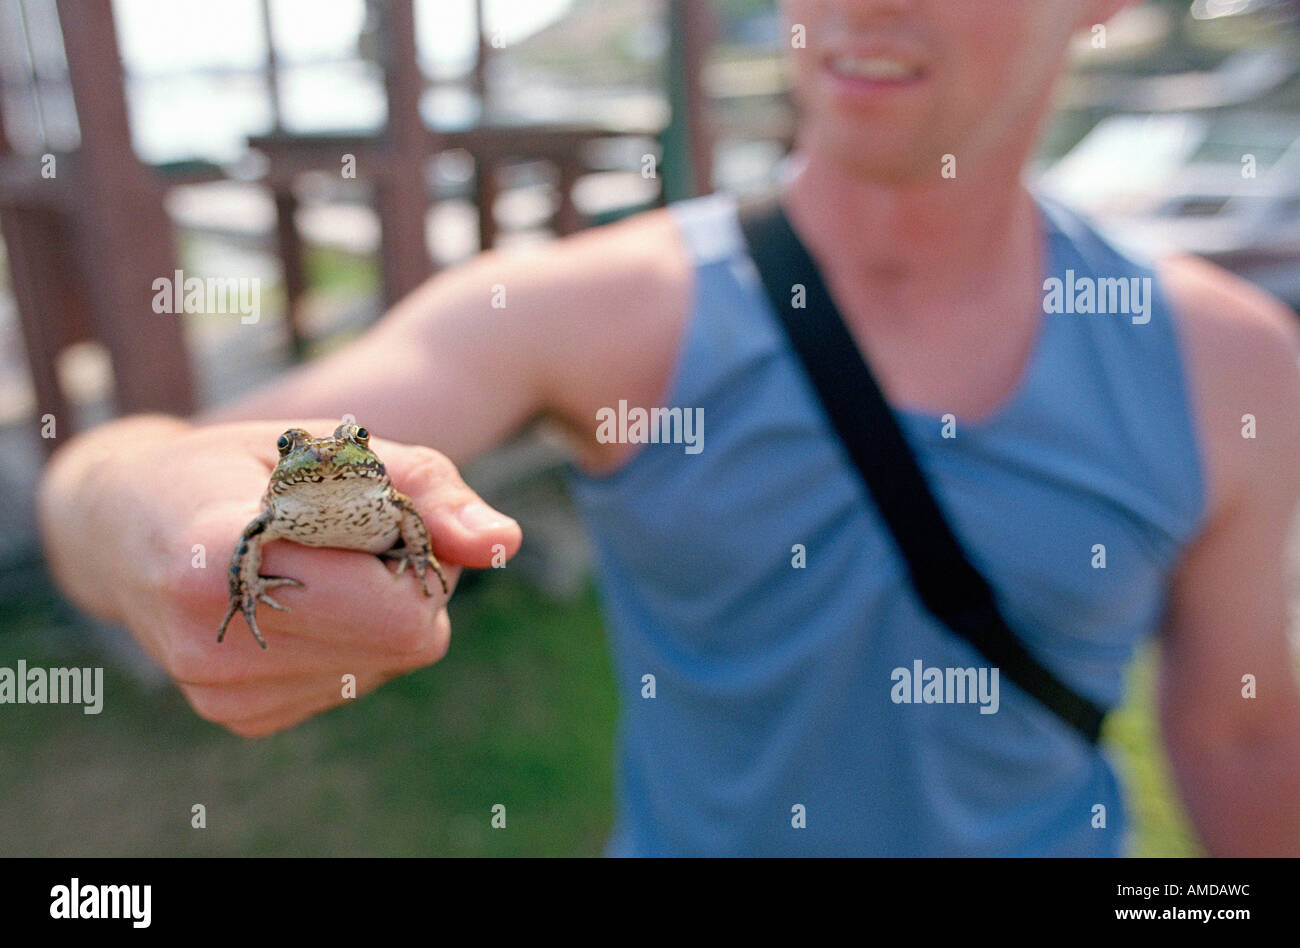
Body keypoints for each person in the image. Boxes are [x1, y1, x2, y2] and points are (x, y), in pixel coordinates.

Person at [38, 0, 1300, 855]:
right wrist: (156, 523)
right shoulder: (605, 308)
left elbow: (1240, 729)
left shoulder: (1223, 360)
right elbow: (133, 470)